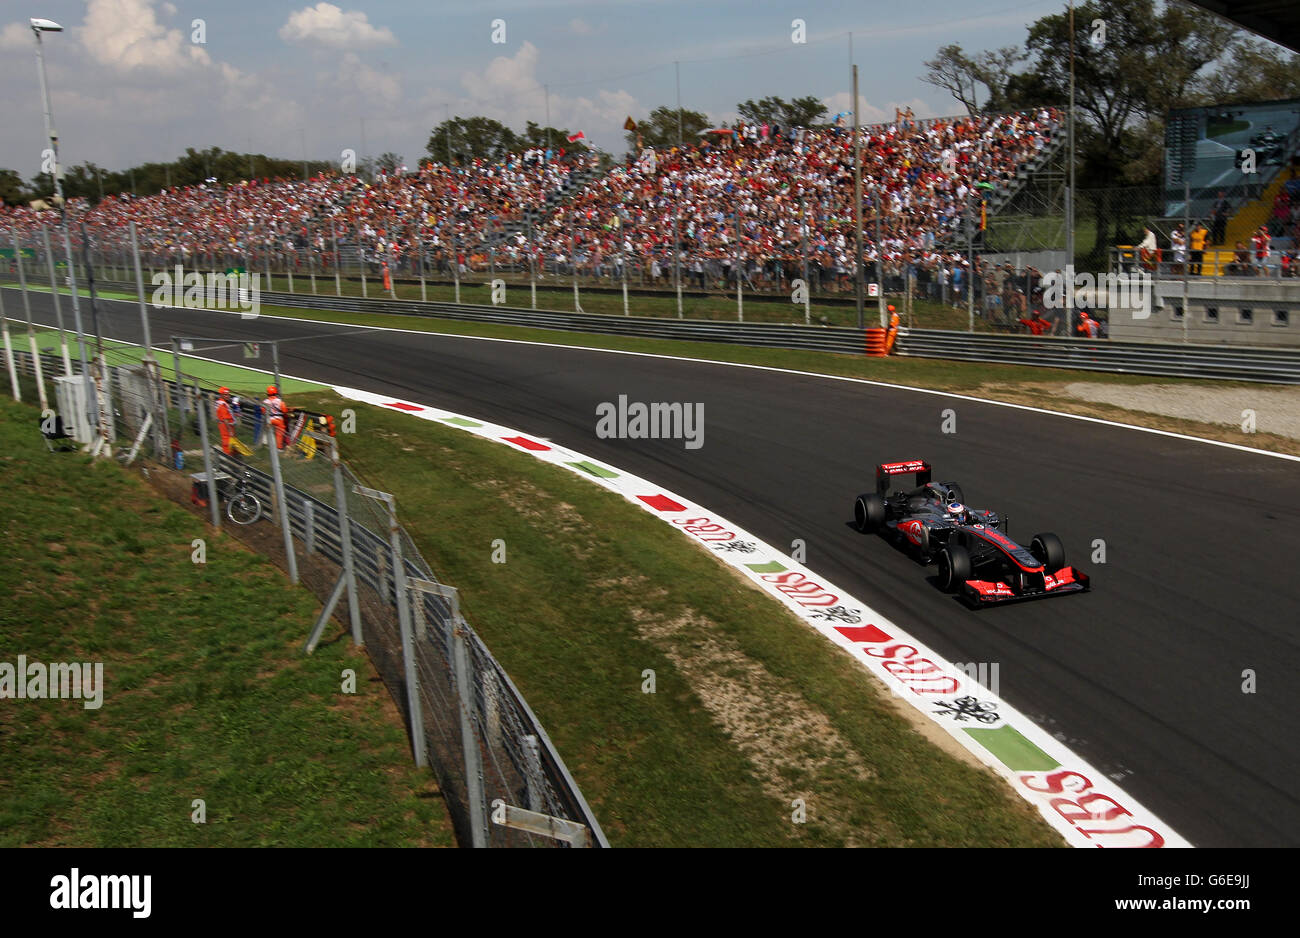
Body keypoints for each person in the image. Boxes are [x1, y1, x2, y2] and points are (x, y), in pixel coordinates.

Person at [263, 385, 287, 450]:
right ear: (275, 393)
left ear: (268, 393)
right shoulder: (279, 401)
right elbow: (284, 410)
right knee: (279, 433)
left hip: (269, 419)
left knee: (269, 432)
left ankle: (268, 446)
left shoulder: (265, 402)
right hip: (278, 419)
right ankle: (278, 448)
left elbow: (263, 411)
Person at [215, 387, 237, 455]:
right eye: (225, 394)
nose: (227, 396)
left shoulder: (221, 403)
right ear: (221, 395)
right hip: (226, 426)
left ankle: (232, 455)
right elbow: (225, 419)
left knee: (231, 441)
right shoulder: (223, 405)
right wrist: (230, 431)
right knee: (227, 442)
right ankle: (228, 456)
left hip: (225, 425)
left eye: (228, 394)